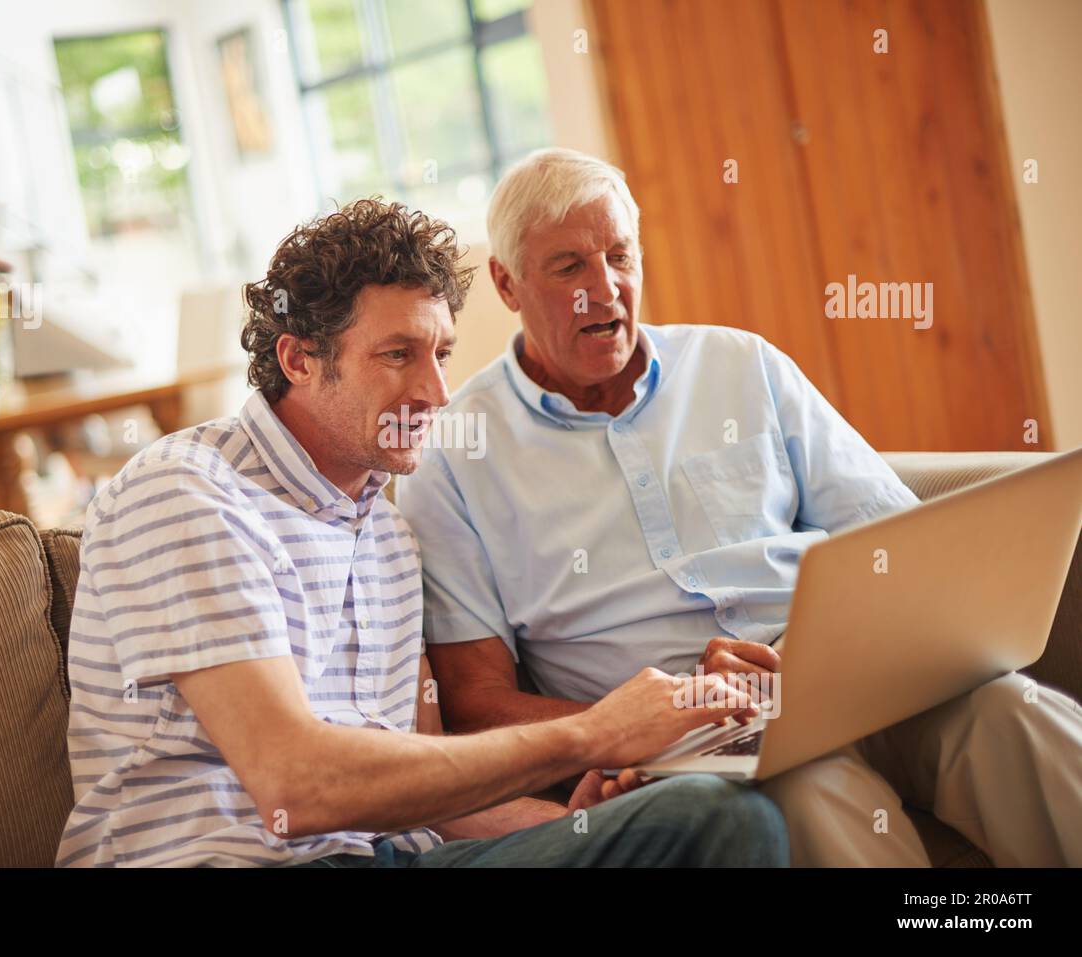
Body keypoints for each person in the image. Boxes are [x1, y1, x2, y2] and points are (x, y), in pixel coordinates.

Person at [396, 147, 1082, 867]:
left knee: (1011, 713)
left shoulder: (742, 366)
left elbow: (902, 544)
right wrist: (655, 717)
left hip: (851, 672)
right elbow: (476, 703)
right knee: (813, 794)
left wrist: (819, 655)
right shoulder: (453, 454)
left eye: (619, 256)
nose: (604, 290)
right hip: (705, 739)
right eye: (569, 267)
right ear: (507, 283)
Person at [55, 198, 789, 868]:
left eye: (441, 354)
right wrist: (591, 732)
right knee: (714, 821)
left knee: (709, 815)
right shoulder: (189, 494)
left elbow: (428, 788)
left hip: (387, 858)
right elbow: (293, 787)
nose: (438, 392)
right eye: (398, 354)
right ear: (299, 358)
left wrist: (569, 820)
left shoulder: (387, 535)